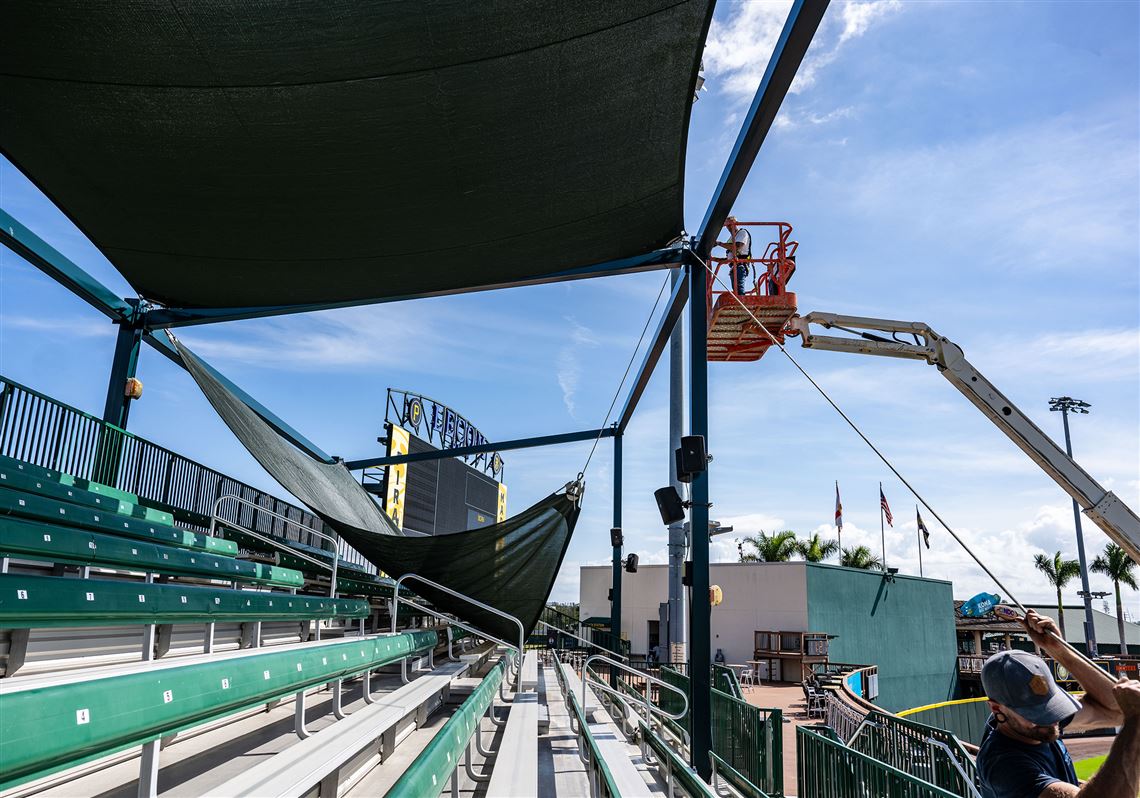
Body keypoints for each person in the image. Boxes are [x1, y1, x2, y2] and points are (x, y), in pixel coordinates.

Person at [976, 609, 1140, 797]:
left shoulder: (1027, 721)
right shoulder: (1003, 765)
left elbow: (1116, 710)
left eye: (1052, 706)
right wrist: (1136, 720)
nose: (1052, 718)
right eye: (1037, 713)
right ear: (997, 709)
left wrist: (1058, 649)